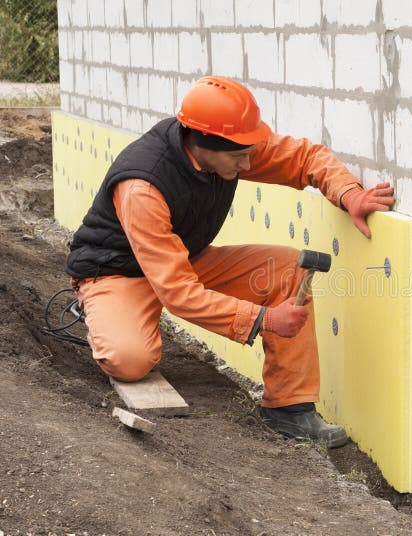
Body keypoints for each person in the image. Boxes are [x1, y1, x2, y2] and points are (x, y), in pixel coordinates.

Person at [65, 76, 395, 448]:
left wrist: (349, 194)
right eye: (240, 157)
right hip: (118, 273)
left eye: (249, 151)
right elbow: (179, 293)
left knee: (288, 270)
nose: (250, 162)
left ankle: (289, 410)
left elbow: (305, 157)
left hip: (183, 259)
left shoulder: (230, 146)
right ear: (203, 144)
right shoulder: (144, 186)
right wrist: (265, 319)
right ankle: (101, 310)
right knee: (129, 360)